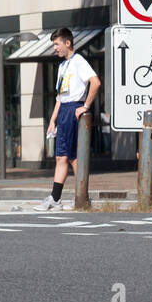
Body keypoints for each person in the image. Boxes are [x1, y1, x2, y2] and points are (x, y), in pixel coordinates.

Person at [36, 28, 101, 211]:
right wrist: (52, 120)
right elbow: (60, 96)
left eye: (57, 44)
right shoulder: (62, 66)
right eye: (53, 44)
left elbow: (95, 82)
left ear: (67, 43)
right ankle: (55, 198)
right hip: (64, 110)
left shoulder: (78, 61)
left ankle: (82, 197)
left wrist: (85, 106)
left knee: (73, 156)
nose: (54, 48)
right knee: (61, 156)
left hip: (74, 109)